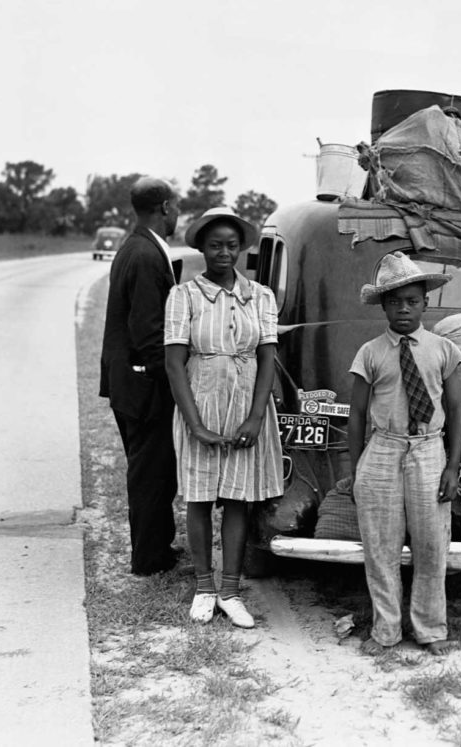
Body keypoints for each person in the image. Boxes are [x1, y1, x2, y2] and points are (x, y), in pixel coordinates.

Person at [164, 207, 283, 628]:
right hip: (202, 398)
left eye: (232, 246)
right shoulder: (184, 296)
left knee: (237, 498)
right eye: (215, 245)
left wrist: (254, 418)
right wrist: (195, 423)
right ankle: (204, 587)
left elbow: (267, 358)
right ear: (201, 247)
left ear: (242, 249)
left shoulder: (261, 296)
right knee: (199, 497)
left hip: (247, 403)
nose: (224, 253)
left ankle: (230, 591)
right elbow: (175, 363)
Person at [347, 251, 461, 656]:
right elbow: (357, 414)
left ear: (425, 303)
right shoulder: (370, 353)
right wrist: (357, 469)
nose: (403, 309)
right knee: (381, 547)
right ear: (382, 305)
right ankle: (386, 630)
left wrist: (452, 466)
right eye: (394, 301)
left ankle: (431, 629)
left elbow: (458, 410)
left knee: (432, 544)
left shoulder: (443, 350)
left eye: (412, 301)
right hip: (382, 450)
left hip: (429, 451)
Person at [99, 177, 183, 575]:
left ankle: (156, 547)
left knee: (152, 468)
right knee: (151, 472)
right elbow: (150, 332)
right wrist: (169, 378)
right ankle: (149, 559)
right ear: (164, 207)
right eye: (177, 206)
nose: (178, 213)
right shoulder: (147, 255)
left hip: (130, 380)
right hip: (143, 385)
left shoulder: (136, 246)